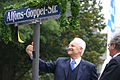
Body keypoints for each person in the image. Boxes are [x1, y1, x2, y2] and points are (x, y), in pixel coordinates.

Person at [26, 37, 98, 80]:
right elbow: (44, 66)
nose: (69, 48)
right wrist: (33, 55)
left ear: (80, 49)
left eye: (72, 46)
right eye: (69, 45)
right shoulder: (60, 62)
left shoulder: (90, 67)